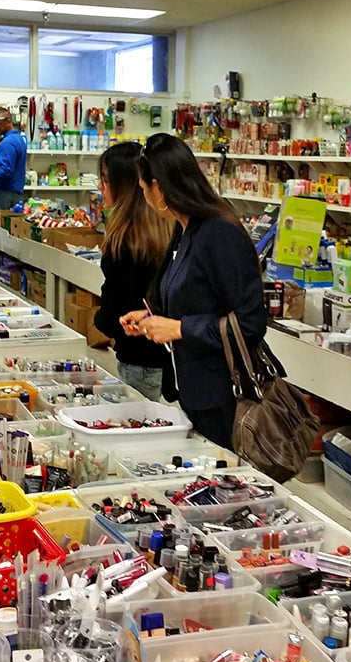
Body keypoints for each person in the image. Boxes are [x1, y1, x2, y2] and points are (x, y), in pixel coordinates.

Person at [120, 132, 267, 447]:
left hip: (225, 397)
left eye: (144, 189)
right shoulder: (186, 229)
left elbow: (250, 323)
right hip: (194, 391)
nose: (144, 197)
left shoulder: (219, 233)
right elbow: (195, 298)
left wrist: (179, 329)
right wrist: (151, 318)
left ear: (159, 189)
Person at [93, 142, 172, 400]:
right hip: (163, 357)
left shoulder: (124, 240)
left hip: (137, 357)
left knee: (136, 418)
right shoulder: (164, 229)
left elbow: (116, 308)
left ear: (124, 184)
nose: (100, 187)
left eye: (105, 180)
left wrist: (99, 320)